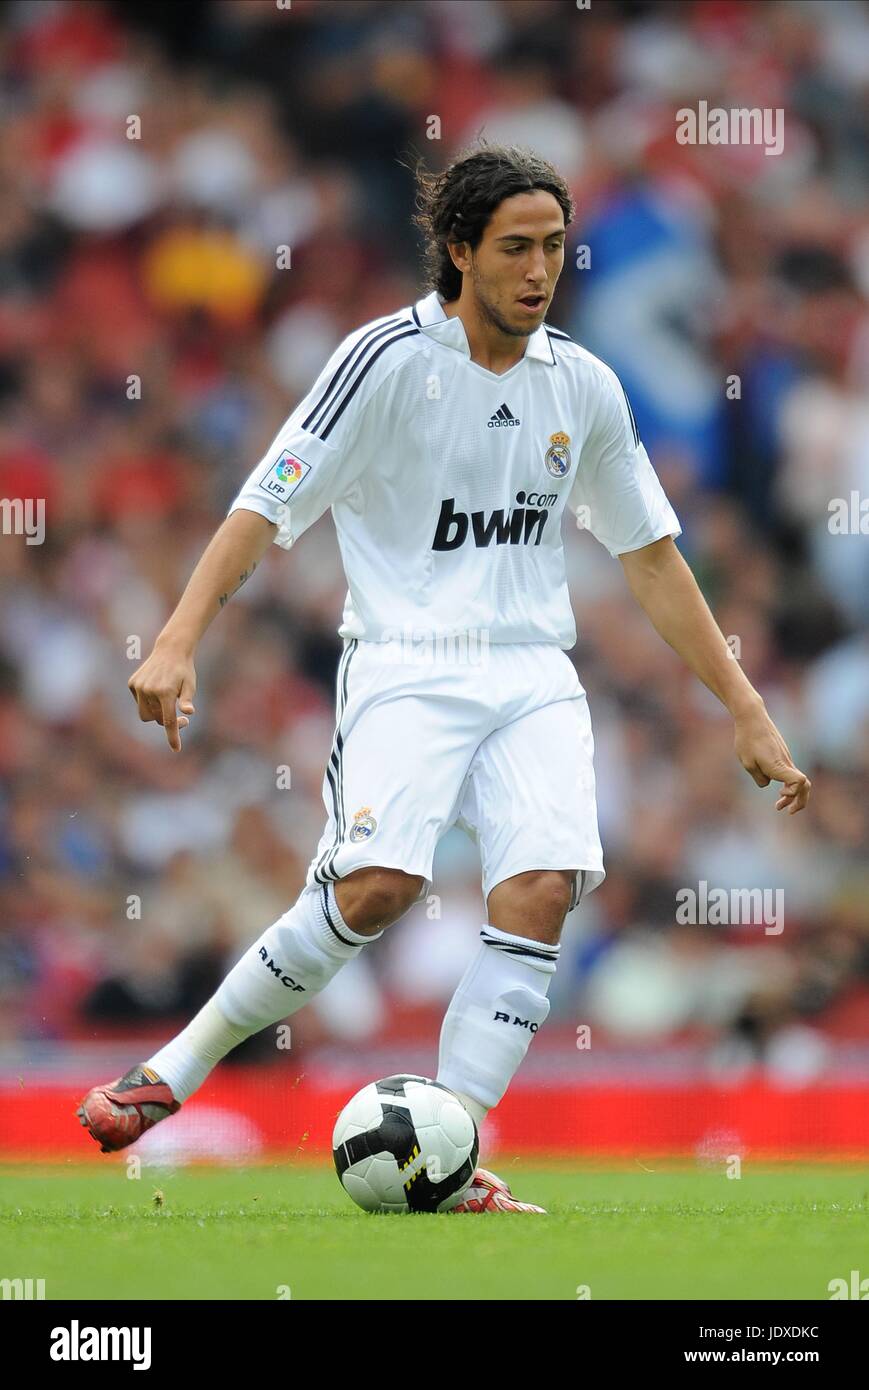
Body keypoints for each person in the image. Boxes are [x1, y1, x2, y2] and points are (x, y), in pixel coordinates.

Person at [76, 145, 810, 1213]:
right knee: (375, 890)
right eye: (514, 247)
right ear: (458, 250)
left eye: (553, 247)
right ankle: (172, 1071)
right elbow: (263, 503)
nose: (537, 269)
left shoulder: (584, 385)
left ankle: (452, 1155)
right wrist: (178, 636)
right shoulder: (380, 361)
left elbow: (648, 553)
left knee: (542, 888)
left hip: (531, 669)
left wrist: (742, 705)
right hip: (405, 663)